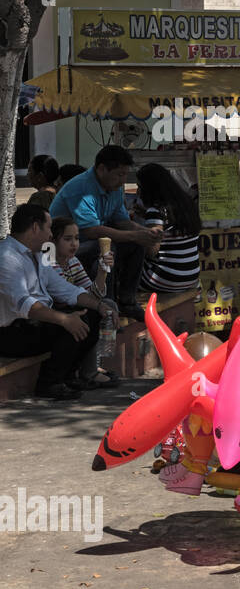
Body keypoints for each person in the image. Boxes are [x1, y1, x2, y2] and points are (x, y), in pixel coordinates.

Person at [0, 204, 112, 400]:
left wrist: (100, 306)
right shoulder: (7, 257)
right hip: (11, 333)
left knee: (91, 315)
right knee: (67, 325)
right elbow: (24, 304)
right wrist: (64, 319)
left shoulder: (39, 255)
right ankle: (49, 384)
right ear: (35, 228)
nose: (51, 234)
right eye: (49, 228)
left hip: (35, 325)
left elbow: (64, 288)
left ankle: (68, 376)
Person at [48, 145, 163, 321]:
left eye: (125, 174)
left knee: (133, 245)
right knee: (107, 248)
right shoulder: (81, 189)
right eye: (119, 174)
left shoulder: (115, 189)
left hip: (88, 244)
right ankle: (107, 305)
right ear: (101, 169)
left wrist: (146, 233)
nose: (123, 180)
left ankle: (127, 301)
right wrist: (135, 235)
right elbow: (92, 231)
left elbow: (122, 222)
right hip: (61, 250)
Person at [51, 216, 118, 387]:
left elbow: (93, 295)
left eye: (76, 238)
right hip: (55, 312)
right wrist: (95, 305)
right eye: (67, 239)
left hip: (74, 307)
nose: (74, 244)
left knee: (109, 305)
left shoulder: (72, 261)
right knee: (92, 313)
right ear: (53, 241)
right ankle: (88, 372)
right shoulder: (49, 262)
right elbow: (61, 296)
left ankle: (92, 366)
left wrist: (103, 271)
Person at [134, 163, 202, 296]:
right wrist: (147, 215)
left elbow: (151, 251)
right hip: (191, 277)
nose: (138, 192)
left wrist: (137, 234)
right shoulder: (187, 205)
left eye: (139, 187)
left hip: (164, 279)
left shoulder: (156, 211)